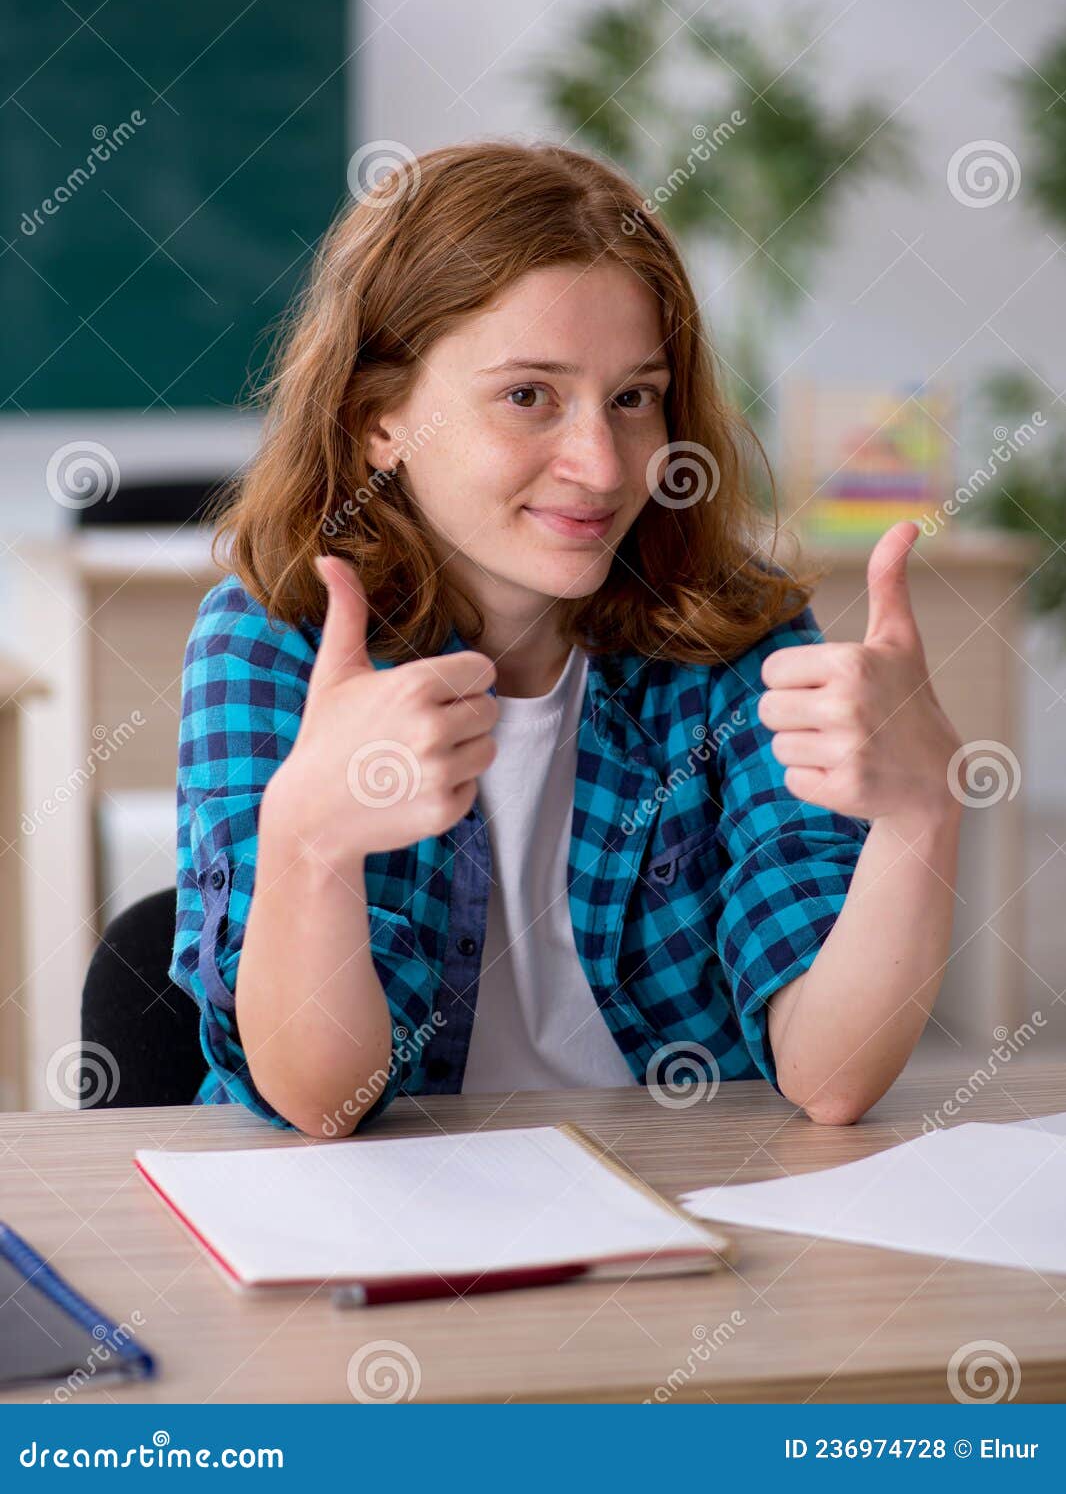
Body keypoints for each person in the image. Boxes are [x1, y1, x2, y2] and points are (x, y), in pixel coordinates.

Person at [171, 138, 962, 1139]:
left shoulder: (736, 640)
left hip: (679, 1209)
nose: (600, 465)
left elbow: (831, 1078)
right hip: (386, 1232)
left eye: (633, 398)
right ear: (381, 420)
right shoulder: (270, 639)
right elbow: (320, 1102)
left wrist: (923, 816)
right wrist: (306, 844)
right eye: (528, 395)